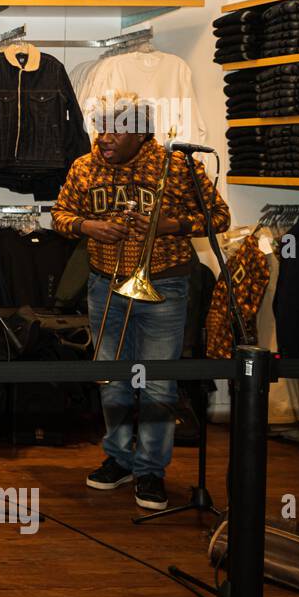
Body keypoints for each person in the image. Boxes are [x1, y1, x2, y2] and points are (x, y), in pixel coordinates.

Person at [51, 97, 230, 511]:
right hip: (104, 285)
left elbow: (218, 217)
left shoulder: (178, 166)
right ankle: (119, 457)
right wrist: (86, 225)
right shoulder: (85, 166)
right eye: (101, 128)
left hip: (164, 286)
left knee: (157, 381)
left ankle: (150, 470)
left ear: (143, 133)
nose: (105, 137)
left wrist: (173, 225)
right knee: (111, 376)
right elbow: (60, 215)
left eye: (116, 130)